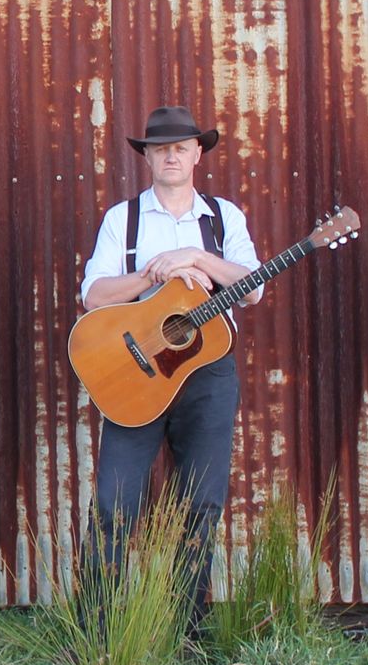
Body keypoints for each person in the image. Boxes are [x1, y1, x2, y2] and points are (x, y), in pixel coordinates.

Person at [78, 105, 261, 621]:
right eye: (161, 149)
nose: (171, 157)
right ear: (147, 158)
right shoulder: (124, 219)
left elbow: (252, 288)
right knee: (115, 504)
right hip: (136, 376)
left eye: (181, 147)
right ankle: (100, 625)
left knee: (200, 503)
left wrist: (196, 257)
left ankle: (187, 627)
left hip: (207, 375)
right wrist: (150, 277)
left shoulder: (223, 217)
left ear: (198, 153)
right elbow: (94, 295)